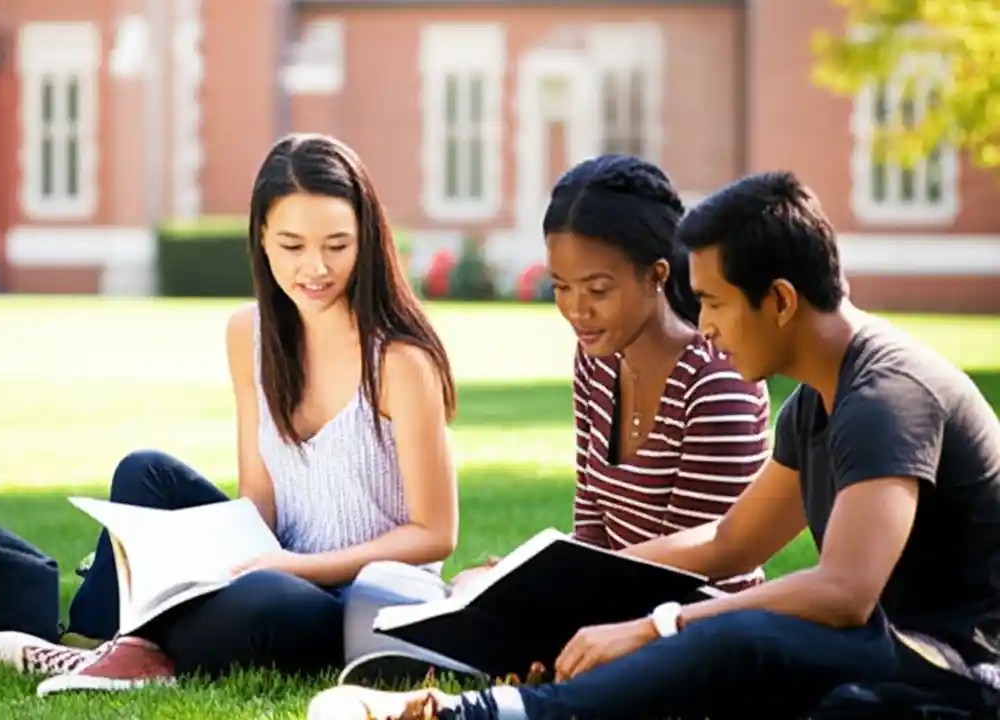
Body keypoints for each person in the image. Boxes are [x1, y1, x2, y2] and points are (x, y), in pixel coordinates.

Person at [306, 170, 1000, 719]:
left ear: (781, 301)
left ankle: (471, 715)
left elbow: (845, 591)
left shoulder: (886, 395)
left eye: (716, 303)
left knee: (735, 639)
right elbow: (732, 541)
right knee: (734, 652)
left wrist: (660, 625)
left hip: (962, 669)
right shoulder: (821, 399)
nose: (707, 326)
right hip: (897, 655)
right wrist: (544, 587)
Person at [0, 133, 461, 695]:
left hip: (352, 595)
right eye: (292, 245)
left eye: (337, 245)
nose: (316, 268)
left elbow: (435, 534)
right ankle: (114, 647)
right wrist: (207, 554)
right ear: (260, 238)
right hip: (276, 562)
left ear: (367, 240)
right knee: (144, 472)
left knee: (262, 602)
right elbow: (258, 503)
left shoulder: (400, 361)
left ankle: (127, 646)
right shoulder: (248, 335)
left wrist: (299, 569)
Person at [336, 154, 771, 687]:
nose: (575, 310)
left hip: (684, 624)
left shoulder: (715, 381)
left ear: (656, 274)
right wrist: (524, 583)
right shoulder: (596, 360)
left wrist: (550, 595)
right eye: (561, 287)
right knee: (388, 589)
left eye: (597, 289)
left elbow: (698, 567)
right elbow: (591, 528)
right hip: (604, 605)